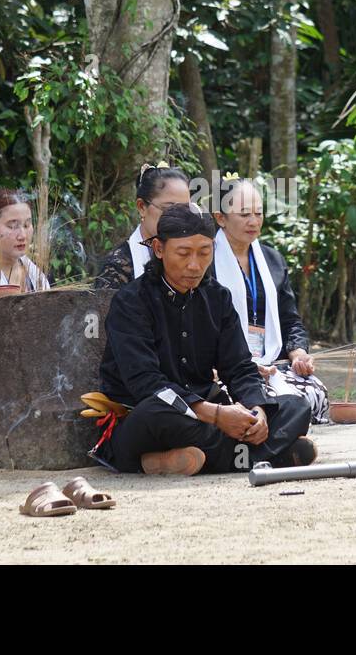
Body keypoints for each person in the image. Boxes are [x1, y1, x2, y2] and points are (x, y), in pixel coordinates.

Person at [93, 203, 316, 475]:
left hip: (209, 416)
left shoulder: (217, 297)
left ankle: (178, 460)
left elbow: (239, 368)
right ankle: (260, 455)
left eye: (204, 252)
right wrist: (217, 416)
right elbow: (146, 384)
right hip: (156, 414)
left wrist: (257, 410)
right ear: (159, 249)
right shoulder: (131, 302)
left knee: (297, 406)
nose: (194, 265)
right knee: (155, 414)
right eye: (184, 253)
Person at [211, 178, 329, 424]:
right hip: (224, 369)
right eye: (244, 214)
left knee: (314, 393)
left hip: (271, 365)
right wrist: (239, 365)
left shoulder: (272, 260)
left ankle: (280, 426)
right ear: (220, 218)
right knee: (233, 401)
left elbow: (289, 318)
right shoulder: (203, 261)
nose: (253, 221)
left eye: (258, 212)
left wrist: (298, 354)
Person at [94, 163, 191, 288]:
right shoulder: (117, 269)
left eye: (185, 209)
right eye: (169, 209)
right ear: (142, 207)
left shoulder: (195, 261)